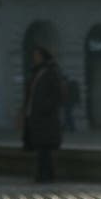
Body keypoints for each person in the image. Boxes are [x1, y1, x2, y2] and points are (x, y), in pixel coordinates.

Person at [22, 47, 64, 183]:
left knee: (44, 147)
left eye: (37, 55)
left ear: (43, 57)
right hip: (36, 116)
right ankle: (46, 174)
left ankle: (44, 175)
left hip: (45, 117)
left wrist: (45, 108)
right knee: (41, 147)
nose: (35, 58)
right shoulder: (36, 72)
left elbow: (57, 94)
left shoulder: (51, 72)